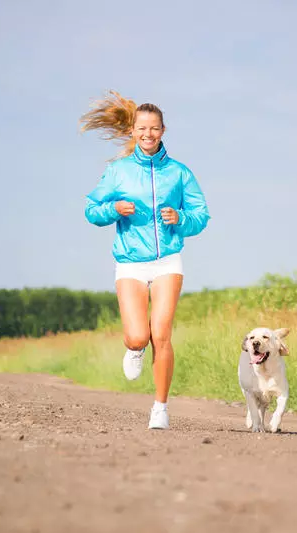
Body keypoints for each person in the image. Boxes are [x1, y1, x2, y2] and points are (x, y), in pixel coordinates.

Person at [81, 91, 210, 430]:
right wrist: (113, 210)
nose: (148, 134)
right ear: (133, 132)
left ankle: (160, 407)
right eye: (142, 128)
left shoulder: (179, 173)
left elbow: (201, 214)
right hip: (131, 263)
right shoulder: (119, 171)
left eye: (154, 129)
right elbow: (91, 210)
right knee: (139, 336)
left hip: (167, 259)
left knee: (162, 334)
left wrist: (180, 219)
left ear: (163, 131)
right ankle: (134, 349)